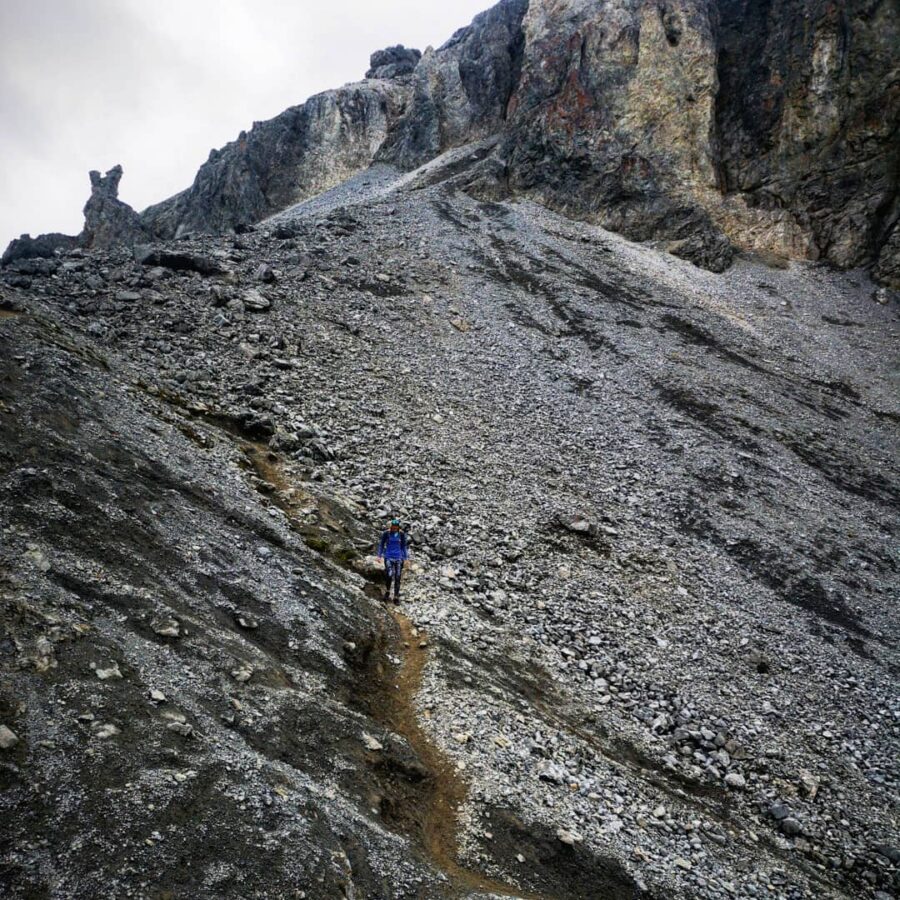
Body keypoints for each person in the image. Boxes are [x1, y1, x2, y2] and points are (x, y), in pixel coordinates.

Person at [377, 518, 408, 603]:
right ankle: (387, 591)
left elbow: (404, 546)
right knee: (389, 575)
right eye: (393, 527)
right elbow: (381, 544)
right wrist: (379, 555)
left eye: (396, 527)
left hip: (399, 557)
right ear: (391, 526)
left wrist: (405, 558)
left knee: (398, 576)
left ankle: (396, 596)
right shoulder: (386, 533)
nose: (394, 528)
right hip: (388, 557)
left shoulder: (401, 534)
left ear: (398, 527)